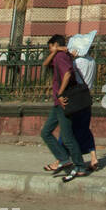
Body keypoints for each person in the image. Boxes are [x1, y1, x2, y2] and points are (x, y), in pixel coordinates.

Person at [39, 34, 88, 182]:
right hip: (57, 103)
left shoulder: (60, 57)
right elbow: (45, 64)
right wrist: (55, 51)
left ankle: (79, 165)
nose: (50, 50)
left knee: (67, 137)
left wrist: (60, 93)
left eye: (50, 47)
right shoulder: (59, 55)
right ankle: (63, 159)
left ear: (55, 44)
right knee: (46, 132)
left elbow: (67, 73)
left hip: (62, 101)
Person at [66, 31, 99, 171]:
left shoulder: (76, 63)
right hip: (87, 96)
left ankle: (63, 158)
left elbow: (69, 76)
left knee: (68, 129)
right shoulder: (92, 61)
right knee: (85, 128)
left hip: (76, 97)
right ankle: (93, 157)